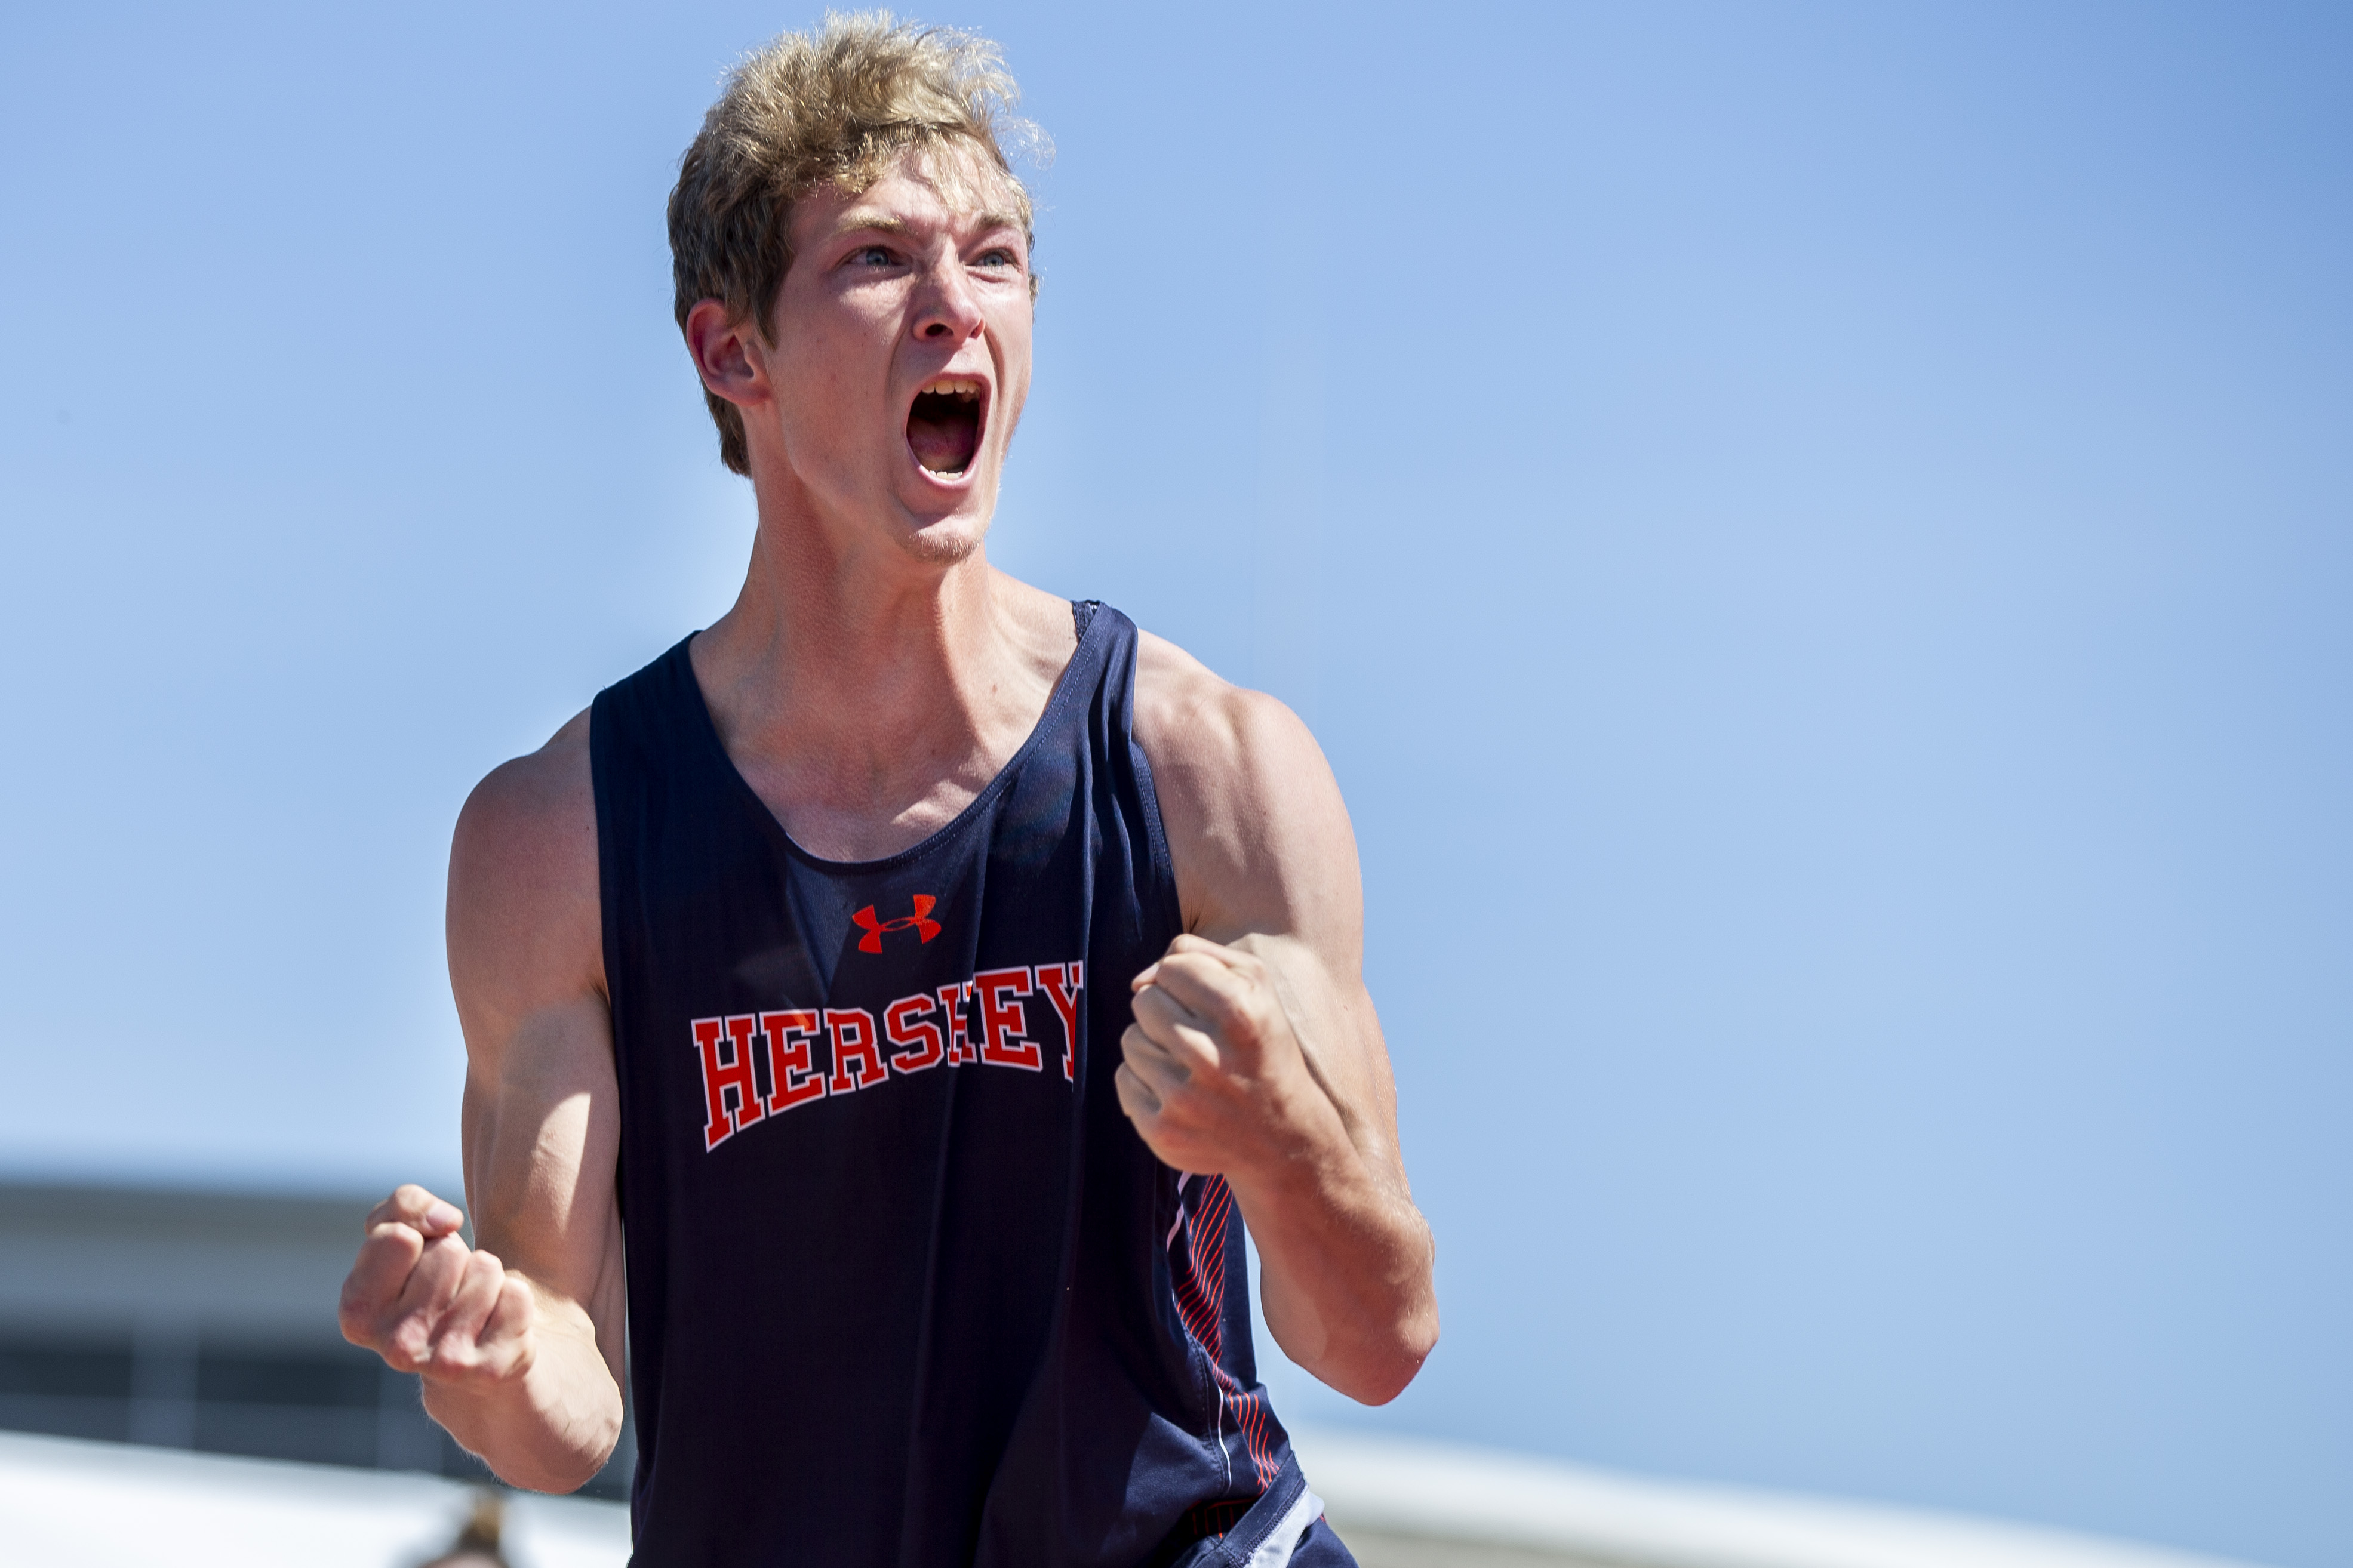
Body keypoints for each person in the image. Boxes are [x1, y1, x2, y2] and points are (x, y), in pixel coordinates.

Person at [338, 16, 1436, 1565]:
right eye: (879, 260)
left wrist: (1288, 1145)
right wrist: (489, 1347)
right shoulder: (559, 836)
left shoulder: (1207, 768)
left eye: (996, 258)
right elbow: (565, 1405)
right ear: (736, 354)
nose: (955, 306)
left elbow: (1381, 1333)